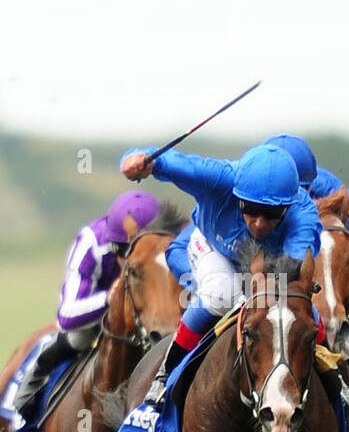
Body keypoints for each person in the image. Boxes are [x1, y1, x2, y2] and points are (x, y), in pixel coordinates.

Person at [120, 143, 321, 410]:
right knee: (220, 293)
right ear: (237, 195)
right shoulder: (217, 177)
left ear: (289, 206)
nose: (259, 223)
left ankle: (340, 383)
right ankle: (164, 375)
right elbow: (166, 161)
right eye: (249, 208)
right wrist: (139, 162)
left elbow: (294, 267)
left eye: (272, 214)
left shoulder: (304, 214)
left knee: (303, 313)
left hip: (268, 265)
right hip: (213, 248)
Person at [11, 191, 161, 421]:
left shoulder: (168, 247)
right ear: (112, 245)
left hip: (148, 312)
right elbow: (66, 315)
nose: (128, 261)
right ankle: (33, 382)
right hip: (97, 315)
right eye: (123, 252)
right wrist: (108, 300)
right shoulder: (92, 242)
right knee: (77, 338)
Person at [263, 134, 349, 401]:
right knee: (220, 296)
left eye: (298, 192)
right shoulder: (249, 189)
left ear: (310, 186)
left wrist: (327, 293)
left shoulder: (336, 199)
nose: (293, 201)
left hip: (314, 304)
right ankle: (166, 386)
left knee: (336, 326)